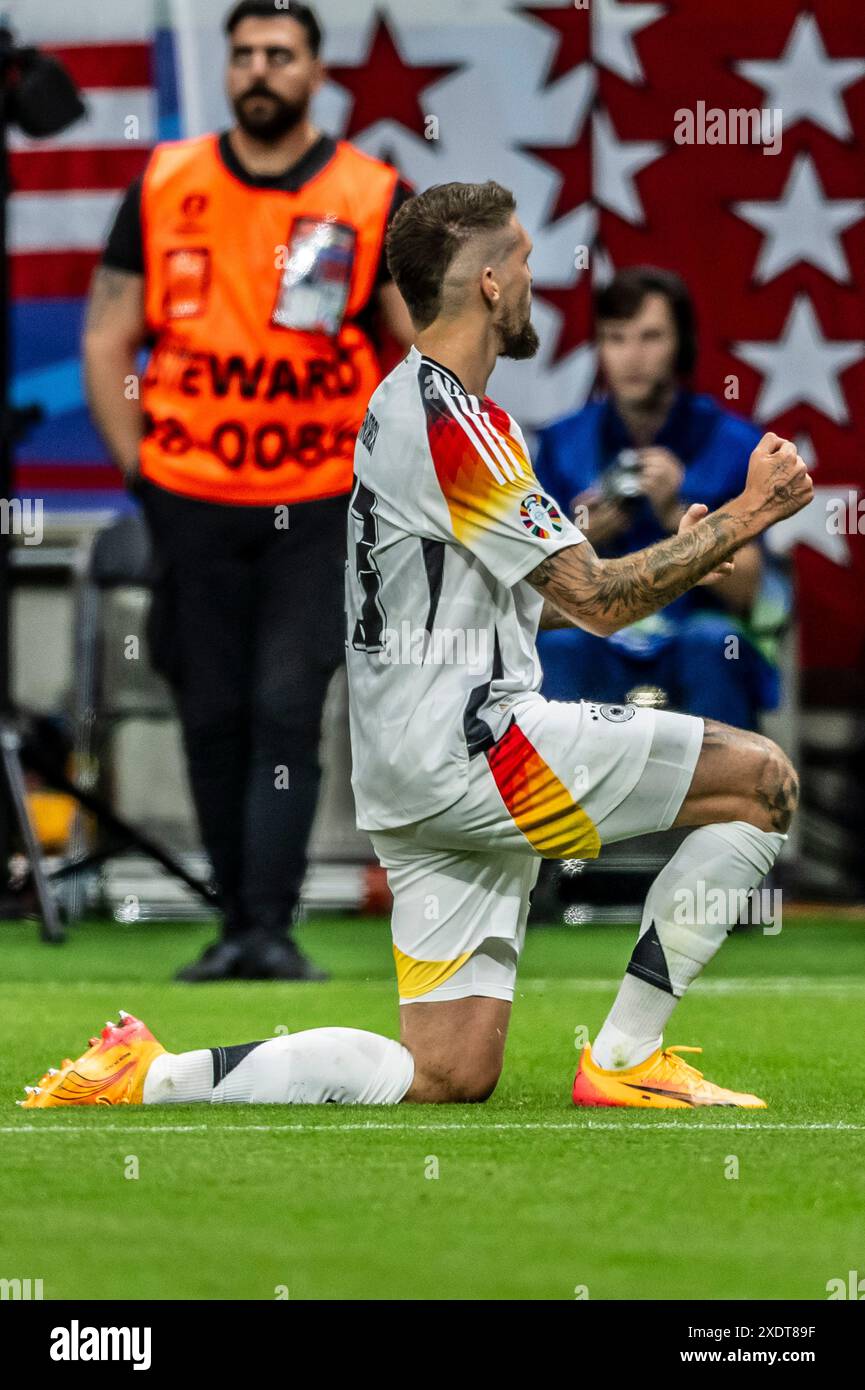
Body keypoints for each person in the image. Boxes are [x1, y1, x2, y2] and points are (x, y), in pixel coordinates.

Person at [26, 180, 811, 1112]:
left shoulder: (424, 411)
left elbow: (538, 608)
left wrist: (684, 553)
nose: (532, 279)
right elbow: (597, 600)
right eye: (520, 258)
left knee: (444, 1071)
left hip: (407, 775)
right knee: (763, 784)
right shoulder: (454, 430)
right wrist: (744, 516)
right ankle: (628, 1056)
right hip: (484, 754)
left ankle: (150, 1076)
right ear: (486, 282)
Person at [83, 1, 413, 981]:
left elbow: (426, 345)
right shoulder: (167, 179)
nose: (259, 71)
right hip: (188, 495)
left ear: (317, 72)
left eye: (281, 55)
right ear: (226, 72)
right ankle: (236, 924)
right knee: (211, 707)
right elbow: (108, 335)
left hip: (317, 501)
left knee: (284, 702)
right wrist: (140, 468)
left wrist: (401, 469)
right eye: (244, 56)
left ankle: (269, 925)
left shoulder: (369, 191)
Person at [535, 267, 784, 730]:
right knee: (556, 643)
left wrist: (675, 512)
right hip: (596, 633)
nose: (632, 356)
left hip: (692, 634)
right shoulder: (562, 444)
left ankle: (724, 794)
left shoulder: (734, 444)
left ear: (682, 345)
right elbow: (528, 584)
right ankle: (557, 800)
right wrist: (579, 536)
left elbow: (749, 589)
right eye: (616, 337)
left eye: (651, 337)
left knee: (714, 641)